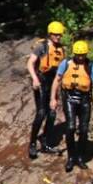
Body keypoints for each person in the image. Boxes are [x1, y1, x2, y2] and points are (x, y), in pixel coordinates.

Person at [51, 39, 93, 171]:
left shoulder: (91, 66)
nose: (80, 57)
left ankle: (80, 157)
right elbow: (57, 80)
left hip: (84, 99)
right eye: (78, 55)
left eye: (83, 55)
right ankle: (71, 157)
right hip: (69, 99)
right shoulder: (66, 63)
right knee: (71, 127)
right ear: (74, 53)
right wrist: (53, 98)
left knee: (84, 129)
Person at [27, 20, 67, 158]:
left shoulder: (61, 49)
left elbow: (61, 71)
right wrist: (35, 79)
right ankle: (32, 143)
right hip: (41, 81)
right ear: (50, 34)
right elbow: (30, 63)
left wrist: (57, 93)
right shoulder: (41, 47)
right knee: (41, 113)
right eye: (55, 34)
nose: (58, 37)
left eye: (60, 34)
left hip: (53, 83)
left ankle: (45, 143)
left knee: (52, 113)